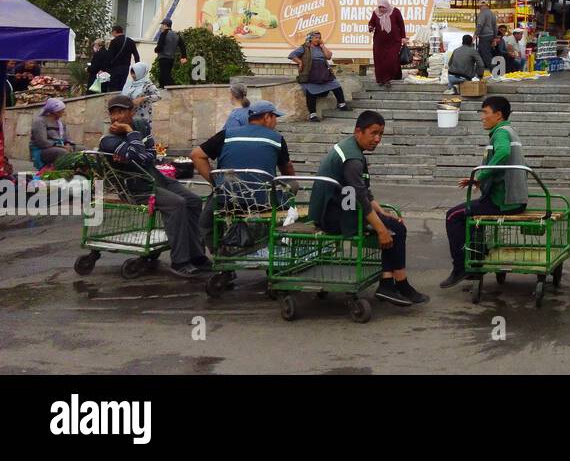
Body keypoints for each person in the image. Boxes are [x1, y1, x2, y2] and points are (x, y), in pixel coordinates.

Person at [308, 110, 427, 306]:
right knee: (392, 229)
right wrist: (380, 228)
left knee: (393, 224)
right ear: (358, 132)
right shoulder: (353, 159)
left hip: (341, 209)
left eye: (381, 134)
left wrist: (382, 213)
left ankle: (389, 282)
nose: (377, 139)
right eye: (373, 133)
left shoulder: (352, 149)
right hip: (332, 217)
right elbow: (361, 198)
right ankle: (399, 283)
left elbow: (363, 193)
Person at [99, 94, 208, 278]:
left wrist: (134, 150)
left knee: (194, 200)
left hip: (155, 177)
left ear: (131, 112)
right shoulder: (107, 139)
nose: (116, 117)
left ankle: (197, 256)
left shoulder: (141, 125)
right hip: (135, 186)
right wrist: (129, 133)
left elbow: (149, 155)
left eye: (121, 112)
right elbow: (140, 154)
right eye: (113, 113)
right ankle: (180, 261)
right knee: (177, 204)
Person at [441, 95, 528, 288]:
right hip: (514, 199)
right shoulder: (509, 132)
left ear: (498, 115)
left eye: (485, 113)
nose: (482, 117)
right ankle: (475, 264)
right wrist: (483, 180)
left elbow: (503, 153)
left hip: (503, 202)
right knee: (472, 218)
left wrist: (481, 176)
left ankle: (460, 268)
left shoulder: (501, 133)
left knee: (453, 216)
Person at [192, 100, 296, 245]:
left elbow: (196, 155)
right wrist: (292, 187)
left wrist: (215, 182)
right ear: (267, 117)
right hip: (262, 201)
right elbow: (288, 170)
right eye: (275, 118)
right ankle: (273, 244)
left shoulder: (227, 134)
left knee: (204, 224)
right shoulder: (277, 139)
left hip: (226, 200)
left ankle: (220, 253)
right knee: (289, 191)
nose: (275, 123)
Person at [289, 32, 351, 122]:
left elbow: (329, 56)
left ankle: (342, 104)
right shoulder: (304, 47)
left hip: (324, 73)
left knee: (335, 85)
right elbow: (292, 55)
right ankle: (313, 115)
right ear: (310, 38)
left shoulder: (320, 48)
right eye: (316, 38)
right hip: (311, 73)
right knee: (311, 91)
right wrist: (300, 62)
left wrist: (323, 46)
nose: (318, 39)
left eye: (319, 37)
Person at [367, 0, 407, 86]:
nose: (381, 9)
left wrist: (403, 37)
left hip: (394, 41)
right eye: (380, 7)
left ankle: (388, 78)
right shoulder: (376, 13)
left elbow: (401, 24)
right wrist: (370, 27)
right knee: (380, 60)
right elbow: (371, 22)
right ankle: (382, 79)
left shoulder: (395, 11)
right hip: (379, 42)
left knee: (391, 59)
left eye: (383, 7)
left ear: (387, 6)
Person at [30, 98, 76, 167]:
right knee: (63, 152)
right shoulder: (40, 122)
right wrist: (59, 145)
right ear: (55, 111)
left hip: (61, 146)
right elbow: (41, 142)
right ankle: (63, 172)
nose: (64, 112)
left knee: (82, 149)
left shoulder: (61, 123)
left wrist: (68, 144)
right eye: (62, 111)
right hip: (42, 150)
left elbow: (67, 137)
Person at [121, 62, 163, 135]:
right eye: (132, 73)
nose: (133, 76)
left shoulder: (147, 84)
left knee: (142, 137)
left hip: (143, 116)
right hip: (129, 115)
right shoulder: (129, 84)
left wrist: (143, 99)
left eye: (135, 73)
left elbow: (158, 96)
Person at [105, 25, 140, 93]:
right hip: (125, 67)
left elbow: (109, 56)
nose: (112, 34)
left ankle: (114, 100)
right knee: (122, 84)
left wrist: (106, 67)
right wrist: (137, 67)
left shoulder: (114, 41)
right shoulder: (130, 41)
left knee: (113, 86)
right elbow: (136, 55)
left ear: (115, 32)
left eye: (112, 32)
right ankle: (121, 98)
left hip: (115, 67)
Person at [154, 19, 188, 87]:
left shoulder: (163, 34)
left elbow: (160, 46)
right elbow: (182, 46)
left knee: (165, 76)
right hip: (171, 59)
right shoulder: (176, 35)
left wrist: (156, 50)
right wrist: (183, 56)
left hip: (163, 58)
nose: (161, 27)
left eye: (162, 25)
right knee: (163, 76)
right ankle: (162, 88)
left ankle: (175, 88)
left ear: (165, 25)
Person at [475, 0, 498, 72]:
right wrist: (494, 38)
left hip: (484, 36)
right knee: (480, 54)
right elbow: (495, 27)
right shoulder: (492, 13)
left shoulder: (482, 13)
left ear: (481, 6)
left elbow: (479, 25)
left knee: (486, 55)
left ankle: (494, 71)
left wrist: (475, 34)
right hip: (490, 36)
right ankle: (478, 72)